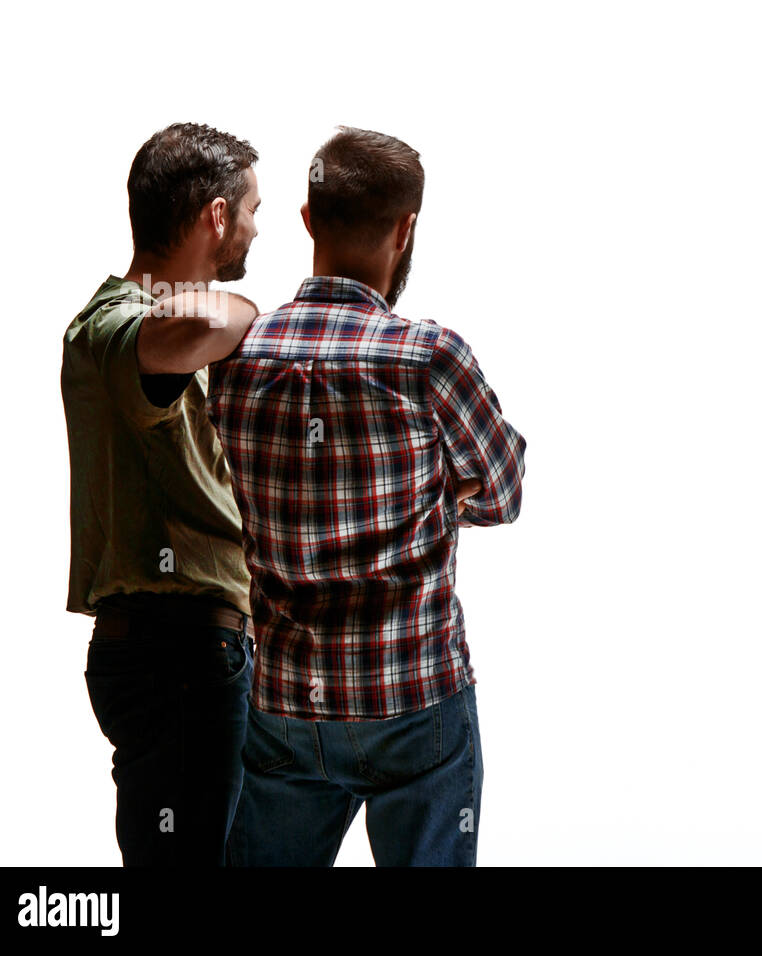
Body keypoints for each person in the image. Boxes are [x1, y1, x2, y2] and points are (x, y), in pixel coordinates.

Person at [208, 126, 527, 867]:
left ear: (308, 219)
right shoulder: (429, 357)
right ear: (407, 228)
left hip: (285, 700)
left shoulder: (234, 353)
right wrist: (445, 494)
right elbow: (505, 492)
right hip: (415, 693)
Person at [62, 122, 264, 865]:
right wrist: (243, 313)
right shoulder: (109, 328)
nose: (255, 228)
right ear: (216, 216)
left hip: (207, 653)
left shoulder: (188, 336)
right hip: (177, 657)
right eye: (250, 209)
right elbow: (195, 325)